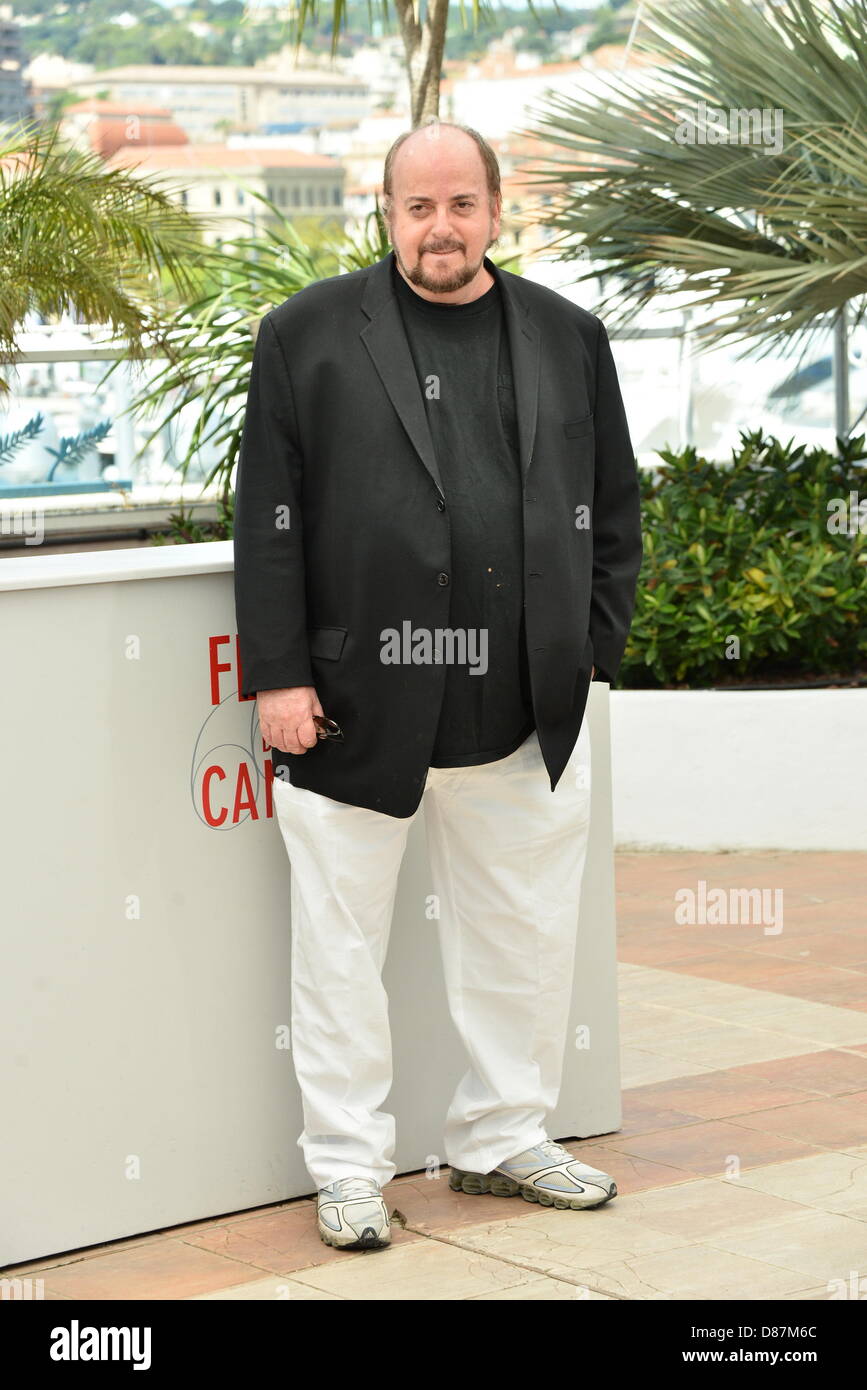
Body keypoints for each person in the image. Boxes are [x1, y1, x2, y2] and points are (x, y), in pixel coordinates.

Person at [232, 121, 642, 1252]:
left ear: (497, 213)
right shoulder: (307, 334)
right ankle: (350, 1168)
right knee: (339, 951)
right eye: (419, 208)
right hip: (354, 713)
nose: (440, 229)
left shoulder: (569, 335)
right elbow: (266, 521)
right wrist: (277, 676)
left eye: (461, 205)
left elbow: (614, 506)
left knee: (525, 935)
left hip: (525, 712)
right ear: (387, 212)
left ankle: (505, 1136)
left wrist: (589, 651)